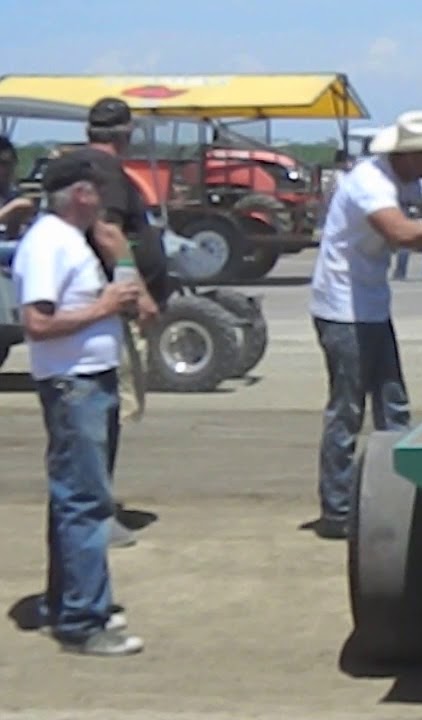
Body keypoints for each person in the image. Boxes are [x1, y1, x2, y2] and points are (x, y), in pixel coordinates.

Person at [308, 110, 422, 539]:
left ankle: (404, 497)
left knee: (393, 405)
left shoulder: (404, 177)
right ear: (412, 153)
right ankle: (336, 510)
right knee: (348, 410)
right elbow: (402, 234)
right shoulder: (370, 182)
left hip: (369, 305)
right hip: (342, 309)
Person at [12, 155, 146, 656]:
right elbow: (37, 324)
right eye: (98, 190)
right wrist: (104, 307)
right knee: (85, 501)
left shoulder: (67, 240)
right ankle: (83, 621)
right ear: (81, 194)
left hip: (89, 382)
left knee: (77, 497)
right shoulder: (48, 243)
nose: (103, 201)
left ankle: (69, 599)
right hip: (74, 386)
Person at [62, 97, 169, 550]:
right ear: (125, 133)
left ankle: (94, 506)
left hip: (98, 306)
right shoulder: (108, 173)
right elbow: (108, 232)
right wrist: (139, 290)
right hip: (109, 309)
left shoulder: (78, 165)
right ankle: (97, 513)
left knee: (105, 413)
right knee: (106, 411)